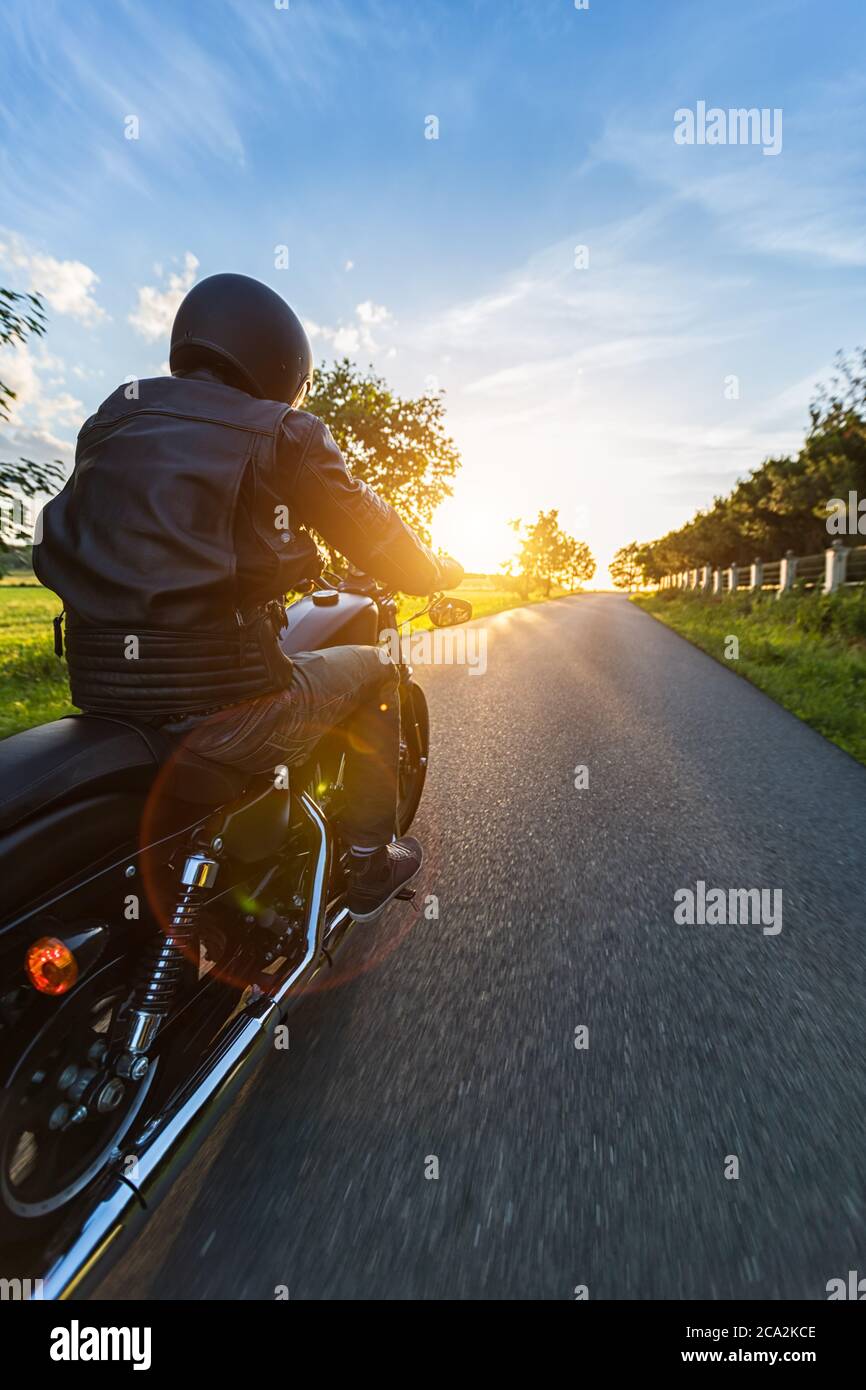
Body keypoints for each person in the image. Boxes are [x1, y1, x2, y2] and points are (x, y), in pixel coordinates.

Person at [33, 272, 463, 922]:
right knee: (377, 669)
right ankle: (369, 860)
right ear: (282, 360)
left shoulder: (112, 417)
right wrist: (435, 571)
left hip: (99, 694)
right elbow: (382, 544)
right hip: (223, 710)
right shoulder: (285, 432)